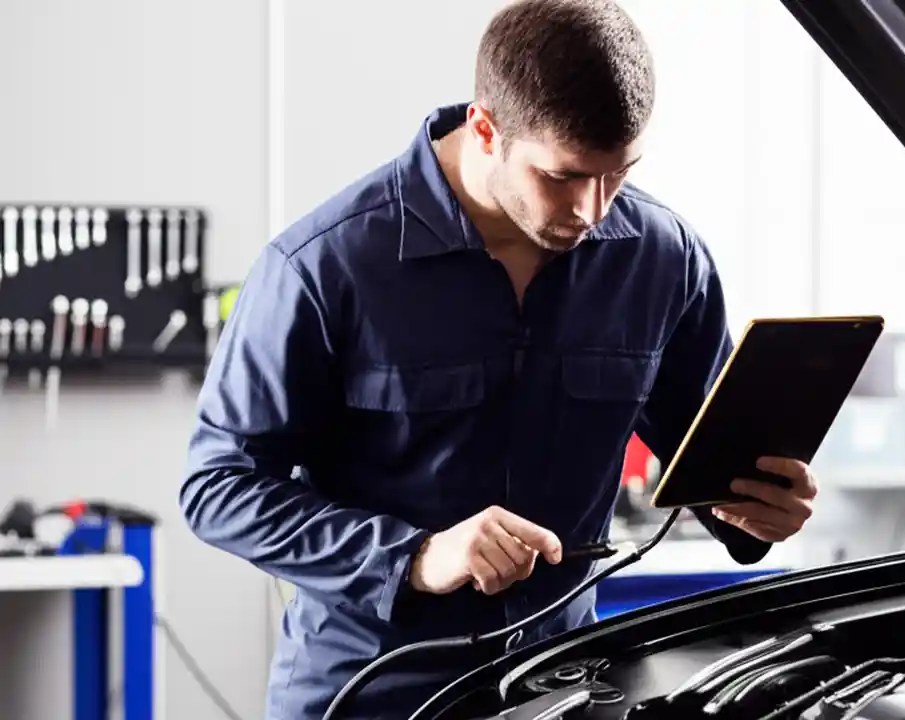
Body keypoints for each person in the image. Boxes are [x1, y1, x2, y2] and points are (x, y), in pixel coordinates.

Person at [180, 1, 821, 717]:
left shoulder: (666, 261)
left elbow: (706, 465)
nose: (594, 209)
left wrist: (755, 510)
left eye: (619, 174)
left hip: (567, 687)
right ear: (485, 129)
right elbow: (218, 487)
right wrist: (414, 556)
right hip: (370, 693)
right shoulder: (324, 267)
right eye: (563, 177)